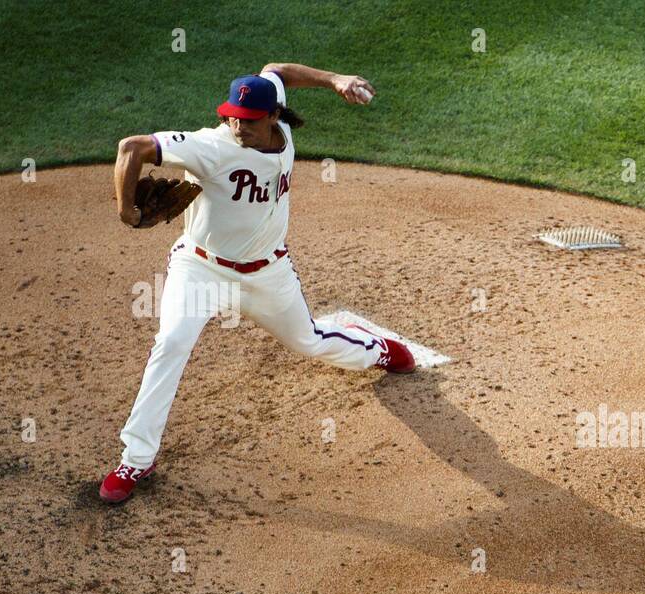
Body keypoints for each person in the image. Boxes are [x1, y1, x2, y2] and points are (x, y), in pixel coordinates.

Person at [101, 63, 414, 504]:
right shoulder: (210, 146)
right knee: (170, 343)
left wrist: (335, 81)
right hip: (201, 268)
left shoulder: (274, 109)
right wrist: (126, 211)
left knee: (308, 340)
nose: (236, 125)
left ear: (274, 115)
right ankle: (136, 458)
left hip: (268, 272)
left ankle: (376, 349)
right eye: (231, 115)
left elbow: (278, 69)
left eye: (246, 120)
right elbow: (130, 147)